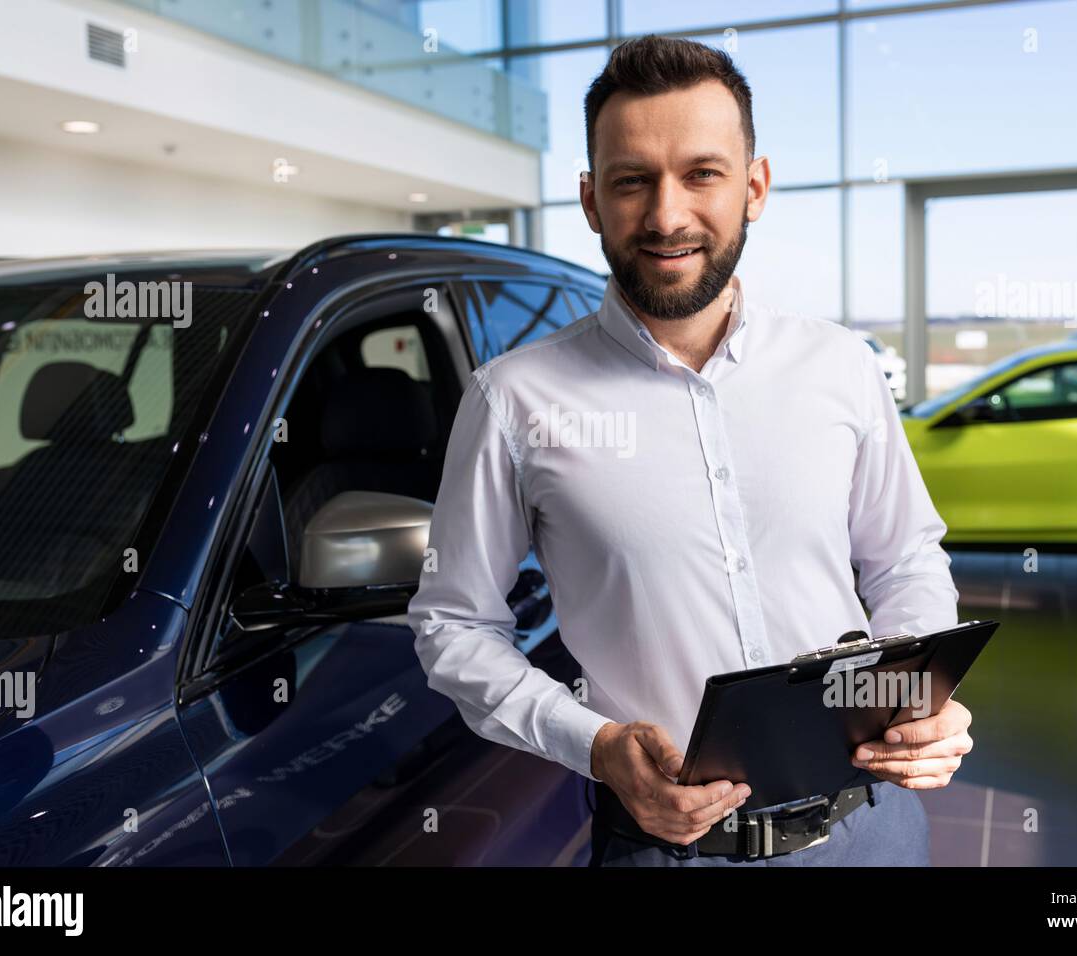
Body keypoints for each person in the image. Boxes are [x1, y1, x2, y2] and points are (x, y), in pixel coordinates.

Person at [408, 34, 970, 866]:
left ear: (755, 186)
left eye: (702, 174)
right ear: (591, 200)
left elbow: (904, 559)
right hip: (666, 852)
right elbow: (453, 625)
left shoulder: (840, 366)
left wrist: (916, 694)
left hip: (873, 831)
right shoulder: (512, 400)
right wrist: (595, 745)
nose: (667, 216)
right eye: (632, 180)